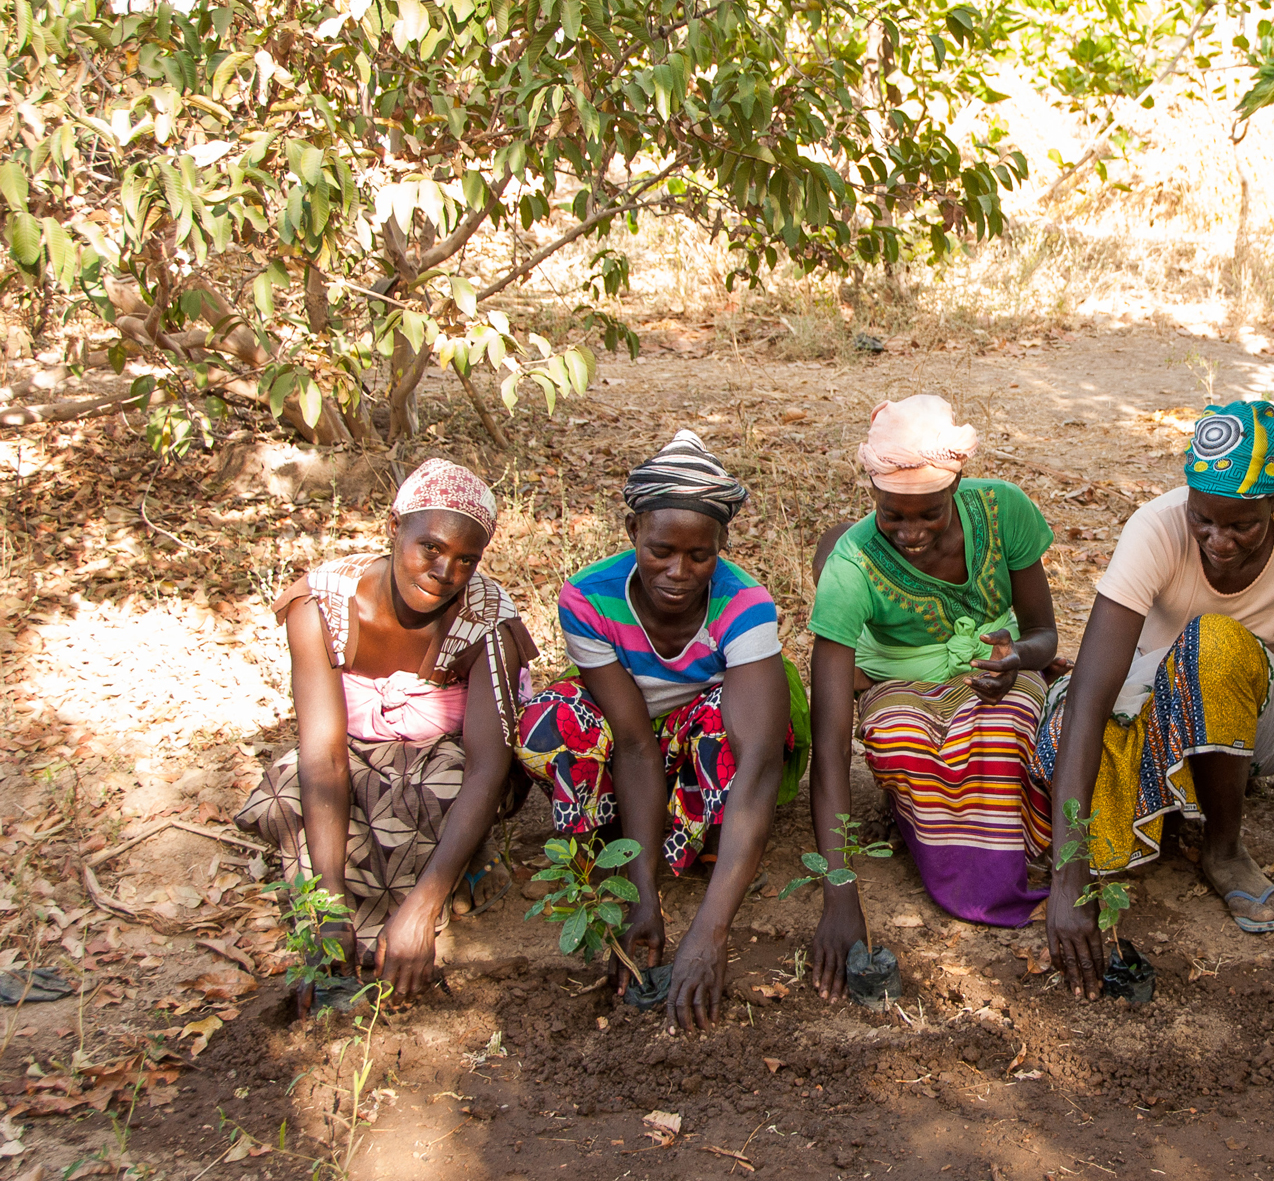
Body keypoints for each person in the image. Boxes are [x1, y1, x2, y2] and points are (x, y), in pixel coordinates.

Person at [1042, 400, 1274, 997]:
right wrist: (1067, 873)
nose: (1218, 540)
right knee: (1061, 727)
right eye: (1203, 519)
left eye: (1242, 525)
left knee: (1215, 641)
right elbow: (1092, 692)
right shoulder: (1155, 529)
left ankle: (1224, 846)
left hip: (1265, 720)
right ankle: (1154, 819)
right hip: (1162, 699)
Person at [515, 430, 804, 1031]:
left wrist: (710, 929)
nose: (678, 571)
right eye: (660, 551)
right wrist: (639, 890)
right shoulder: (589, 597)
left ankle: (697, 845)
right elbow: (635, 744)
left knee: (737, 730)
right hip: (638, 743)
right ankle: (621, 846)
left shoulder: (743, 603)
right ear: (632, 536)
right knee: (551, 719)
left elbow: (758, 764)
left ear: (721, 546)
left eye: (700, 556)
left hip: (703, 734)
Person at [237, 459, 536, 1012]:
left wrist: (421, 907)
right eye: (431, 548)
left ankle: (410, 929)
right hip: (347, 749)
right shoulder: (323, 604)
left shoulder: (487, 619)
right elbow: (323, 755)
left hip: (441, 757)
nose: (446, 571)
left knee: (427, 796)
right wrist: (326, 902)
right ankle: (330, 933)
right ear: (393, 526)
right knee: (286, 794)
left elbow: (488, 768)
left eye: (466, 559)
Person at [806, 395, 1061, 1001]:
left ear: (959, 488)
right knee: (898, 734)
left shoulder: (1004, 512)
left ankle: (967, 842)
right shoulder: (853, 565)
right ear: (872, 494)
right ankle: (924, 818)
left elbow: (1043, 634)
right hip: (899, 677)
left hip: (995, 665)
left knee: (1004, 730)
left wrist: (1015, 658)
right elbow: (829, 732)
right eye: (893, 515)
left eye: (929, 515)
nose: (911, 533)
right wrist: (840, 894)